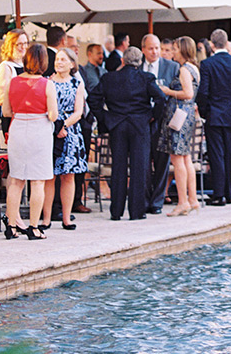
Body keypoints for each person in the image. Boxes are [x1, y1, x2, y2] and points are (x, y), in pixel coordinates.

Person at [89, 46, 165, 220]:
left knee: (118, 168)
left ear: (123, 60)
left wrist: (105, 118)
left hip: (117, 124)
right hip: (140, 125)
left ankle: (116, 211)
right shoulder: (146, 78)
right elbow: (161, 98)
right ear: (140, 62)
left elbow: (93, 99)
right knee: (139, 168)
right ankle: (137, 211)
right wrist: (152, 117)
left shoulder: (109, 78)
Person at [3, 43, 59, 240]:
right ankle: (34, 227)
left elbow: (6, 112)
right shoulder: (47, 84)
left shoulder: (12, 82)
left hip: (18, 128)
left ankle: (11, 226)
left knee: (16, 180)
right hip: (39, 130)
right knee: (38, 181)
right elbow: (53, 115)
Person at [196, 29, 231, 206]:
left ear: (212, 44)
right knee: (229, 154)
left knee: (216, 154)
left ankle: (219, 194)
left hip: (214, 113)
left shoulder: (207, 64)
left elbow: (203, 92)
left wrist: (205, 112)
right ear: (227, 44)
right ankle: (228, 193)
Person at [44, 46, 87, 231]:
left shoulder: (77, 84)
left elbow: (79, 111)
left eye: (63, 59)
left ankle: (67, 218)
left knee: (68, 177)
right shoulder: (47, 82)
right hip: (50, 131)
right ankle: (46, 218)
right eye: (57, 59)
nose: (59, 62)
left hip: (70, 132)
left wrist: (64, 126)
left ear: (71, 63)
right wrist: (56, 127)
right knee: (49, 177)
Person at [156, 36, 200, 215]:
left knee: (177, 158)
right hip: (187, 115)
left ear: (182, 50)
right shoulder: (194, 68)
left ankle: (183, 201)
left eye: (174, 49)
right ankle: (193, 199)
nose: (172, 52)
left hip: (179, 115)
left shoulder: (184, 70)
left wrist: (168, 91)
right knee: (186, 158)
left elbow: (188, 93)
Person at [140, 34, 180, 214]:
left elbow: (178, 93)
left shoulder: (172, 67)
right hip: (142, 120)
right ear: (143, 49)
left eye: (157, 48)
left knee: (162, 162)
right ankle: (145, 198)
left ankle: (157, 201)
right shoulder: (136, 67)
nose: (155, 51)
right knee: (144, 162)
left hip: (164, 120)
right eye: (150, 48)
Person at [75, 42, 105, 213]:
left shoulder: (100, 71)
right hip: (73, 122)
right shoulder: (84, 71)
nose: (101, 56)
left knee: (82, 162)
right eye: (98, 53)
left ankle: (77, 198)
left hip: (87, 120)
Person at [0, 28, 29, 135]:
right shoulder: (6, 67)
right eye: (19, 44)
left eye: (25, 43)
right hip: (13, 118)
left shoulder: (27, 66)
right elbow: (1, 98)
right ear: (11, 46)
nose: (23, 47)